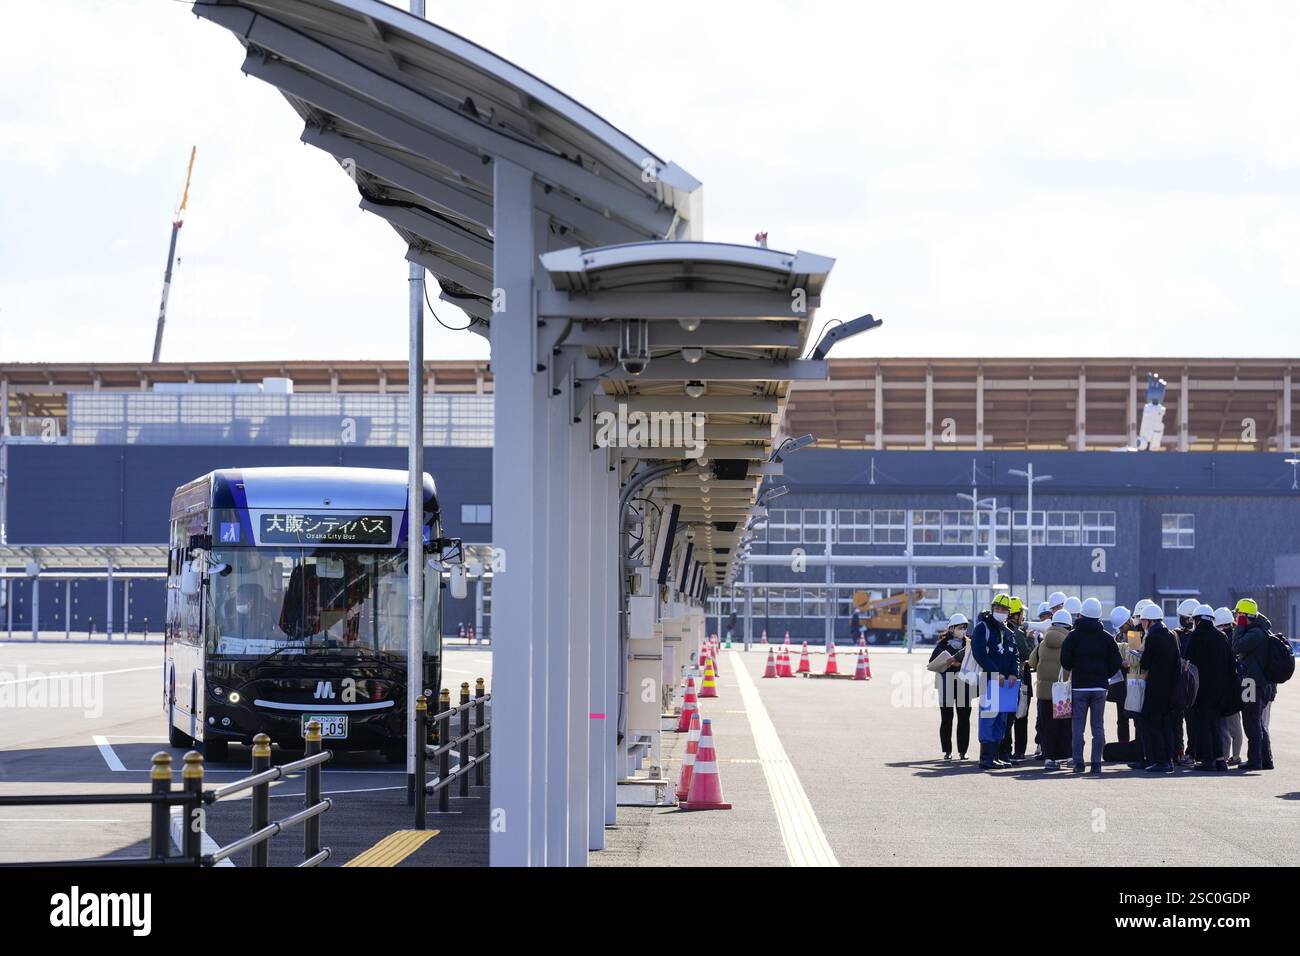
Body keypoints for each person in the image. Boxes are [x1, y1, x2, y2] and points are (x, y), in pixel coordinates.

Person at [1058, 598, 1121, 774]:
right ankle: (1096, 763)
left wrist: (1075, 667)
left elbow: (1065, 661)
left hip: (1079, 686)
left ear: (1082, 614)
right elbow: (1116, 662)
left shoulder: (1073, 636)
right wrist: (1105, 674)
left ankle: (1078, 763)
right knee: (1098, 726)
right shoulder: (1106, 637)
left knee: (1078, 727)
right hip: (1100, 687)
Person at [970, 594, 1020, 770]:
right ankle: (986, 758)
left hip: (1006, 683)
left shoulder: (1008, 631)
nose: (1000, 611)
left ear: (1008, 612)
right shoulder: (983, 627)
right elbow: (978, 652)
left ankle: (996, 756)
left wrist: (1014, 673)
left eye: (1004, 609)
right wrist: (994, 672)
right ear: (992, 608)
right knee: (988, 719)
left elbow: (1015, 654)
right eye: (997, 608)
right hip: (990, 680)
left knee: (1001, 720)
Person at [1185, 604, 1234, 772]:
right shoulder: (1222, 636)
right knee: (1216, 723)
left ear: (1197, 620)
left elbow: (1188, 658)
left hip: (1202, 688)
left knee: (1203, 724)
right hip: (1220, 689)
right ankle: (1220, 760)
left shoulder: (1196, 635)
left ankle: (1208, 760)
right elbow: (1231, 663)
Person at [1232, 598, 1277, 771]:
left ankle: (1255, 760)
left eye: (1238, 615)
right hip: (1259, 682)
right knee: (1257, 721)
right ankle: (1265, 759)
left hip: (1251, 682)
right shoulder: (1260, 630)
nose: (1236, 618)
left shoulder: (1255, 634)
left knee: (1251, 720)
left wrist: (1240, 626)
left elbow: (1236, 646)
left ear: (1244, 616)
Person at [1135, 602, 1181, 773]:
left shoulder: (1152, 637)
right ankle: (1168, 759)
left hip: (1155, 686)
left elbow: (1145, 663)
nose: (1142, 623)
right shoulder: (1171, 635)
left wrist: (1139, 656)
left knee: (1152, 723)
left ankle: (1159, 760)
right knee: (1166, 724)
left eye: (1143, 620)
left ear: (1150, 621)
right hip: (1170, 687)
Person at [1028, 609, 1072, 769]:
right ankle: (1067, 757)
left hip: (1044, 692)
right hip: (1063, 693)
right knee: (1064, 726)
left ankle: (1049, 759)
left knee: (1047, 727)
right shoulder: (1070, 642)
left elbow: (1032, 662)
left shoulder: (1043, 642)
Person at [929, 614, 972, 760]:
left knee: (964, 718)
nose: (963, 630)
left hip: (964, 683)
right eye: (960, 627)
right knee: (947, 718)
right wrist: (949, 663)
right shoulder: (943, 644)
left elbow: (974, 661)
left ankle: (963, 751)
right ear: (951, 628)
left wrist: (960, 664)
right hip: (946, 682)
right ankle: (947, 750)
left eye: (965, 627)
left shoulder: (969, 643)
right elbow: (932, 661)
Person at [1001, 597, 1033, 762]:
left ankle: (1005, 750)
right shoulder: (1018, 634)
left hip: (1006, 679)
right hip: (1021, 679)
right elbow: (1029, 655)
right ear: (1014, 615)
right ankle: (1018, 751)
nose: (1023, 617)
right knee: (1020, 717)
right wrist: (1030, 639)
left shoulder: (1003, 630)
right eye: (1021, 613)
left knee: (1006, 717)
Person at [1214, 606, 1244, 765]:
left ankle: (1229, 756)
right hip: (1235, 688)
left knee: (1228, 725)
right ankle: (1233, 756)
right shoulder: (1236, 637)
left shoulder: (1226, 640)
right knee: (1233, 724)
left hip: (1228, 688)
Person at [1172, 597, 1200, 765]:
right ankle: (1181, 751)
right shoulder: (1178, 634)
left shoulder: (1195, 636)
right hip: (1182, 682)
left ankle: (1190, 752)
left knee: (1190, 720)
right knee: (1179, 719)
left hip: (1189, 682)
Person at [1104, 606, 1135, 746]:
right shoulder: (1118, 636)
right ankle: (1123, 746)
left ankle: (1138, 747)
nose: (1121, 630)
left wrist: (1123, 662)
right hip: (1121, 684)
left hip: (1133, 683)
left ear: (1129, 621)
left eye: (1122, 627)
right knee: (1121, 718)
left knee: (1136, 718)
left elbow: (1134, 660)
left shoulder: (1135, 634)